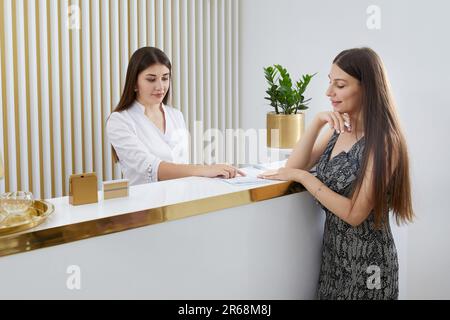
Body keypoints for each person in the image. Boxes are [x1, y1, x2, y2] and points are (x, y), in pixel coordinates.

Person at [259, 47, 414, 299]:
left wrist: (306, 178)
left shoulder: (385, 142)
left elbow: (354, 214)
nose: (329, 92)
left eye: (340, 85)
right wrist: (318, 122)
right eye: (330, 83)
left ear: (367, 88)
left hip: (369, 270)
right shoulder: (338, 129)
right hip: (334, 264)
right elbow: (291, 169)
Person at [107, 47, 243, 185]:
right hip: (144, 203)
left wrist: (216, 170)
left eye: (165, 78)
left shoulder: (176, 115)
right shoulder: (120, 120)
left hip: (180, 199)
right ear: (135, 83)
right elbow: (151, 167)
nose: (160, 87)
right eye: (151, 79)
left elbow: (183, 164)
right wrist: (205, 169)